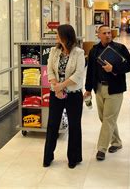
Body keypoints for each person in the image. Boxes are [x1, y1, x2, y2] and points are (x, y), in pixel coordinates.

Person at [84, 25, 130, 161]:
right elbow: (90, 71)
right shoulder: (94, 51)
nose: (108, 35)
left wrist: (114, 68)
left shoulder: (120, 48)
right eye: (104, 33)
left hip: (115, 89)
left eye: (109, 32)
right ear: (98, 35)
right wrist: (88, 89)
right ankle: (116, 142)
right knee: (104, 118)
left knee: (108, 119)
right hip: (99, 88)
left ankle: (101, 149)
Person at [43, 24, 85, 169]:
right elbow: (49, 70)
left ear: (65, 36)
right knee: (52, 125)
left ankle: (73, 158)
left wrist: (62, 86)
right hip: (56, 93)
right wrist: (56, 87)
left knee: (74, 126)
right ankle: (48, 156)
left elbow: (78, 75)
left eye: (58, 34)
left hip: (73, 94)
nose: (56, 37)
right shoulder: (54, 51)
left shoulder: (79, 53)